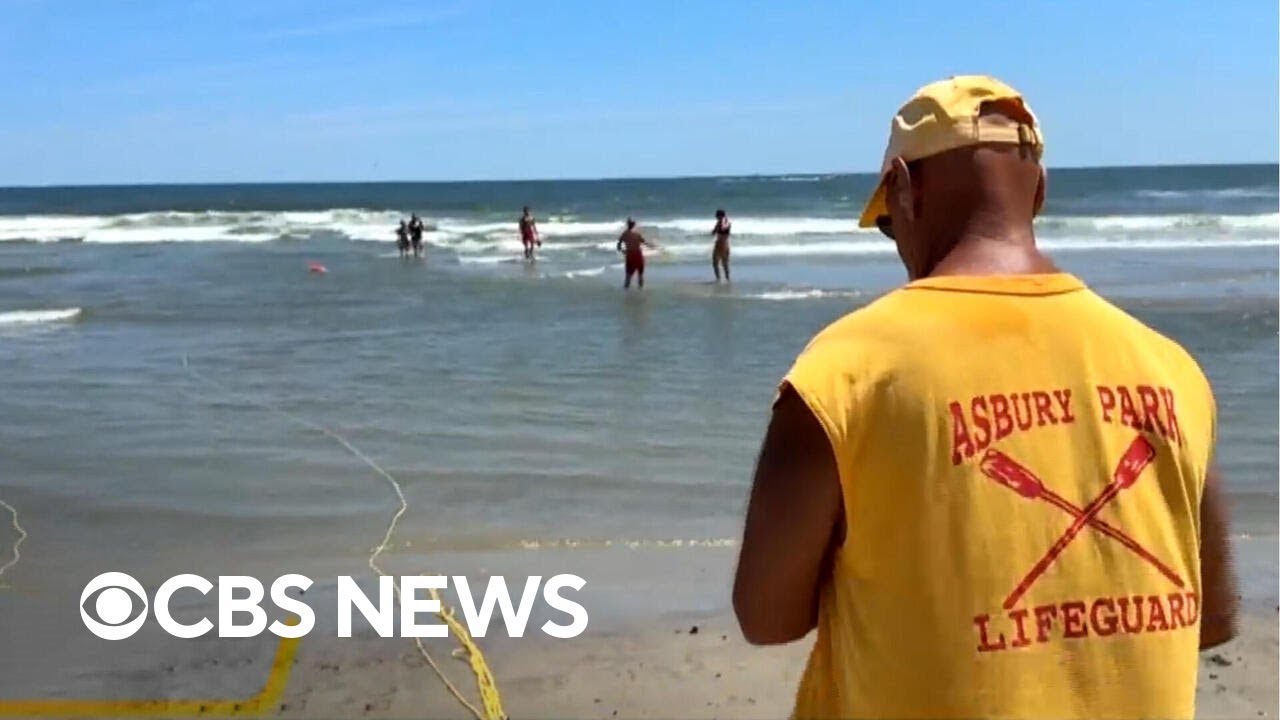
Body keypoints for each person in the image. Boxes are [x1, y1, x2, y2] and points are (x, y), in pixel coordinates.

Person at [733, 76, 1236, 720]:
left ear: (904, 189)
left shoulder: (844, 372)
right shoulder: (1171, 370)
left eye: (888, 223)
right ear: (1042, 192)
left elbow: (766, 616)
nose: (897, 246)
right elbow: (1213, 616)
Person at [615, 218, 652, 290]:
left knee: (628, 275)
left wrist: (623, 251)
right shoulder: (637, 234)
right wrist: (652, 246)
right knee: (640, 274)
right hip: (638, 254)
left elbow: (618, 246)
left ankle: (626, 290)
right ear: (634, 225)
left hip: (630, 255)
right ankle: (640, 290)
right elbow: (644, 242)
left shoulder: (624, 234)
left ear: (627, 225)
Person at [710, 209, 731, 282]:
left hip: (721, 243)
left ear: (720, 215)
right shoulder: (721, 222)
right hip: (724, 243)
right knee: (724, 263)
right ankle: (725, 278)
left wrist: (719, 227)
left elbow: (723, 228)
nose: (716, 217)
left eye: (717, 215)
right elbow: (714, 232)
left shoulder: (725, 221)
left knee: (717, 262)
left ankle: (720, 278)